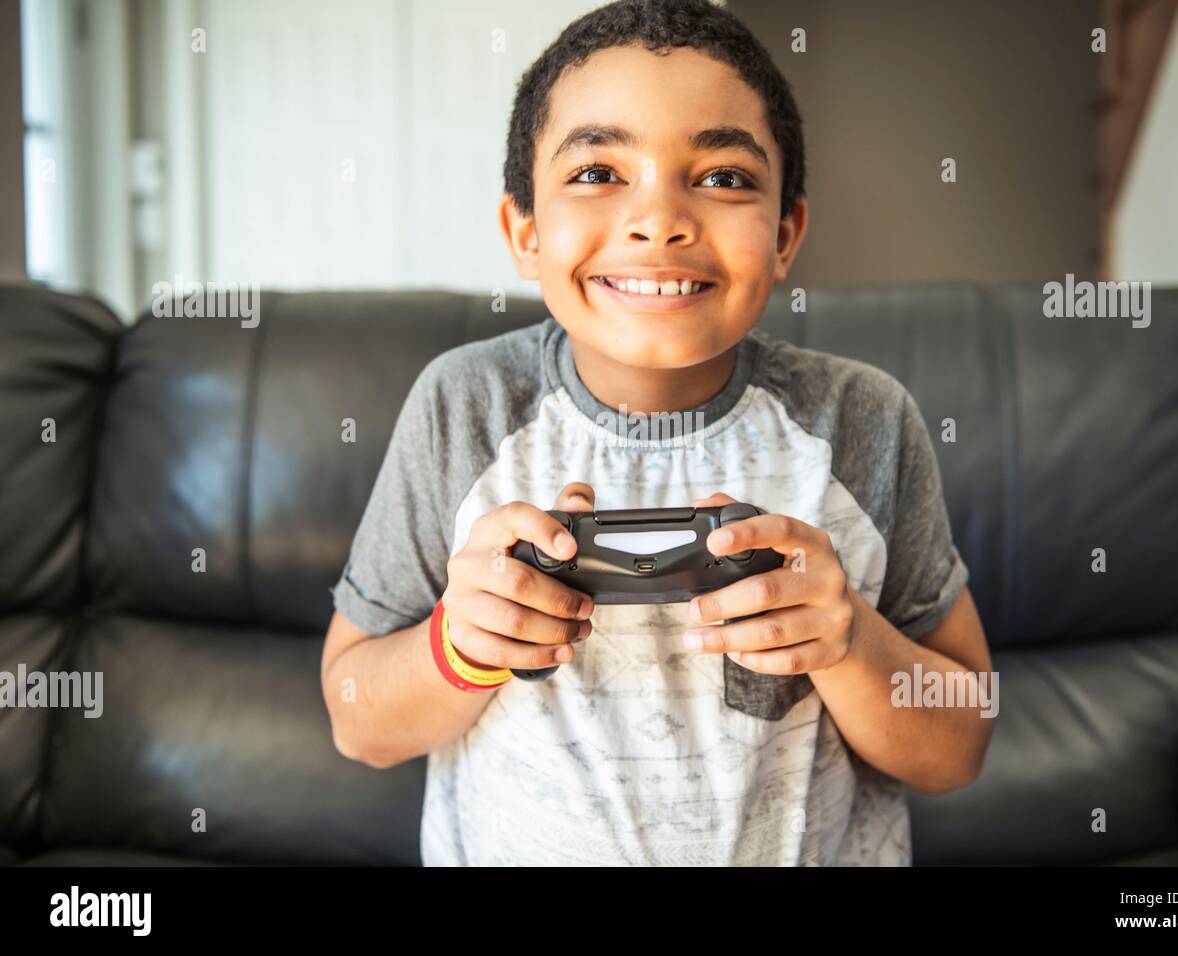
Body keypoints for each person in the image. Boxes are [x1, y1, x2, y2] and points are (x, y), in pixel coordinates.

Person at [321, 0, 993, 866]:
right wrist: (458, 645)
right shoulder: (464, 408)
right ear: (524, 231)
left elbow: (962, 745)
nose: (660, 219)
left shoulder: (864, 420)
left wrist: (849, 639)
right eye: (599, 171)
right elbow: (355, 720)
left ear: (786, 232)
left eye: (722, 177)